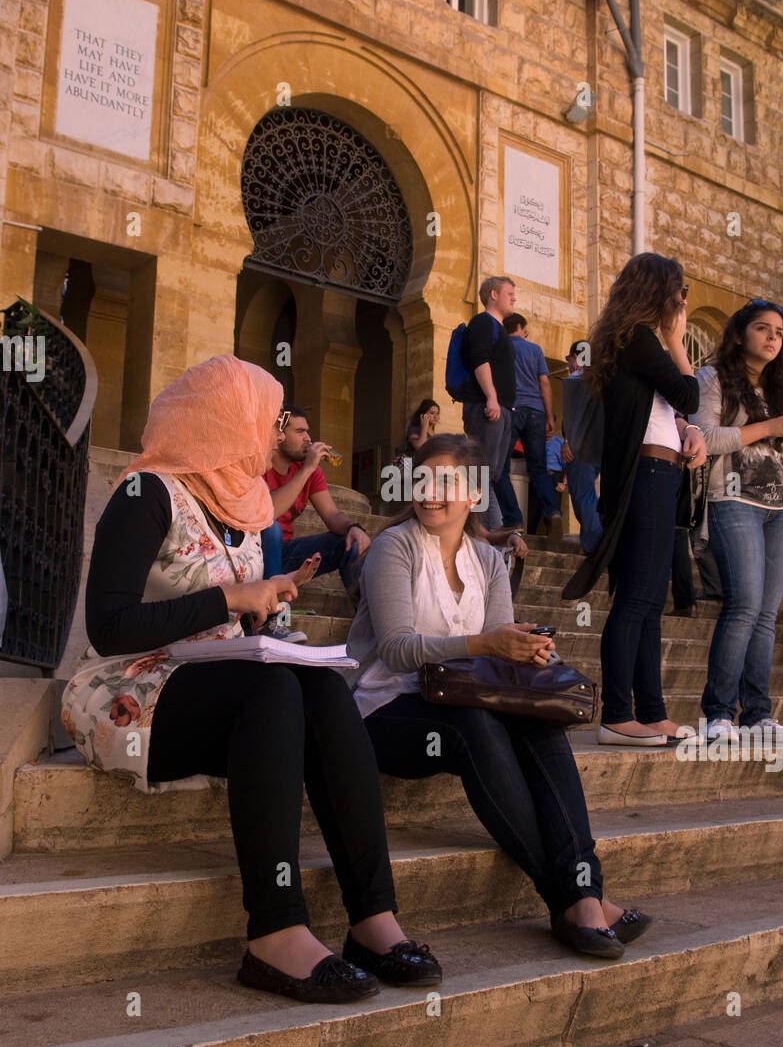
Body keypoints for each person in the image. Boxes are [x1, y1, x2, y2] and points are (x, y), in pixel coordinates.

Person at [61, 356, 440, 1003]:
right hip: (133, 691)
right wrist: (233, 600)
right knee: (271, 690)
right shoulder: (145, 491)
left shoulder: (248, 498)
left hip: (220, 680)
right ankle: (275, 933)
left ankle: (374, 917)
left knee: (318, 687)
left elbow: (240, 603)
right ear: (226, 418)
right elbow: (110, 624)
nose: (276, 432)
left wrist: (271, 594)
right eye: (268, 419)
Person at [345, 432, 652, 960]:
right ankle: (574, 899)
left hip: (460, 699)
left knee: (540, 723)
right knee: (476, 727)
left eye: (446, 481)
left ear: (473, 491)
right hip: (384, 709)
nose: (430, 491)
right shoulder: (393, 548)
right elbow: (395, 650)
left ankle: (582, 893)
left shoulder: (488, 561)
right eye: (422, 478)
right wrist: (487, 641)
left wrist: (523, 649)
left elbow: (491, 662)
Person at [561, 254, 707, 746]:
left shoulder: (629, 341)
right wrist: (676, 339)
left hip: (657, 472)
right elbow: (689, 392)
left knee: (648, 601)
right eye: (677, 292)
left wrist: (687, 432)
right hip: (645, 474)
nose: (681, 302)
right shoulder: (641, 340)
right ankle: (617, 715)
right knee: (637, 599)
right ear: (656, 292)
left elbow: (673, 411)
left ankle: (652, 711)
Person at [695, 299, 783, 744]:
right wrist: (768, 427)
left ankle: (758, 715)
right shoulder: (711, 379)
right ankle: (718, 714)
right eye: (763, 329)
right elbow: (705, 438)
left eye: (779, 332)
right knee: (744, 605)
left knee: (767, 615)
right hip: (732, 499)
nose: (773, 337)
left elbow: (779, 455)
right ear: (739, 335)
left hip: (781, 507)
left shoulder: (778, 389)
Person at [261, 407, 371, 591]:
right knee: (272, 528)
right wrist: (307, 470)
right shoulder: (262, 464)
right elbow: (268, 513)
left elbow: (332, 515)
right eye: (299, 432)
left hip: (285, 552)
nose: (308, 438)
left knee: (348, 542)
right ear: (279, 434)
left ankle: (366, 612)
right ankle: (272, 610)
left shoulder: (310, 470)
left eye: (307, 431)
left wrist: (354, 528)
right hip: (257, 552)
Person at [492, 313, 563, 543]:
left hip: (510, 411)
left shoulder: (499, 348)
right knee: (539, 470)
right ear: (521, 327)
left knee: (499, 469)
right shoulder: (535, 349)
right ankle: (553, 512)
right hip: (536, 413)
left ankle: (513, 517)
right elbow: (544, 382)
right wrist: (549, 416)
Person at [461, 276, 517, 534]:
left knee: (490, 475)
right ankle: (476, 530)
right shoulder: (483, 322)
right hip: (488, 409)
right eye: (509, 293)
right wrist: (492, 397)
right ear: (493, 294)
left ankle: (488, 531)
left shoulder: (500, 328)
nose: (514, 298)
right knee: (481, 472)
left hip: (501, 410)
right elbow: (479, 359)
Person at [561, 340, 603, 555]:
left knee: (583, 496)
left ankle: (595, 546)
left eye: (569, 358)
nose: (568, 363)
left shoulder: (576, 380)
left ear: (576, 357)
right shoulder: (600, 381)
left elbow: (573, 416)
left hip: (580, 446)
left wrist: (569, 442)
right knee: (590, 497)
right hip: (599, 446)